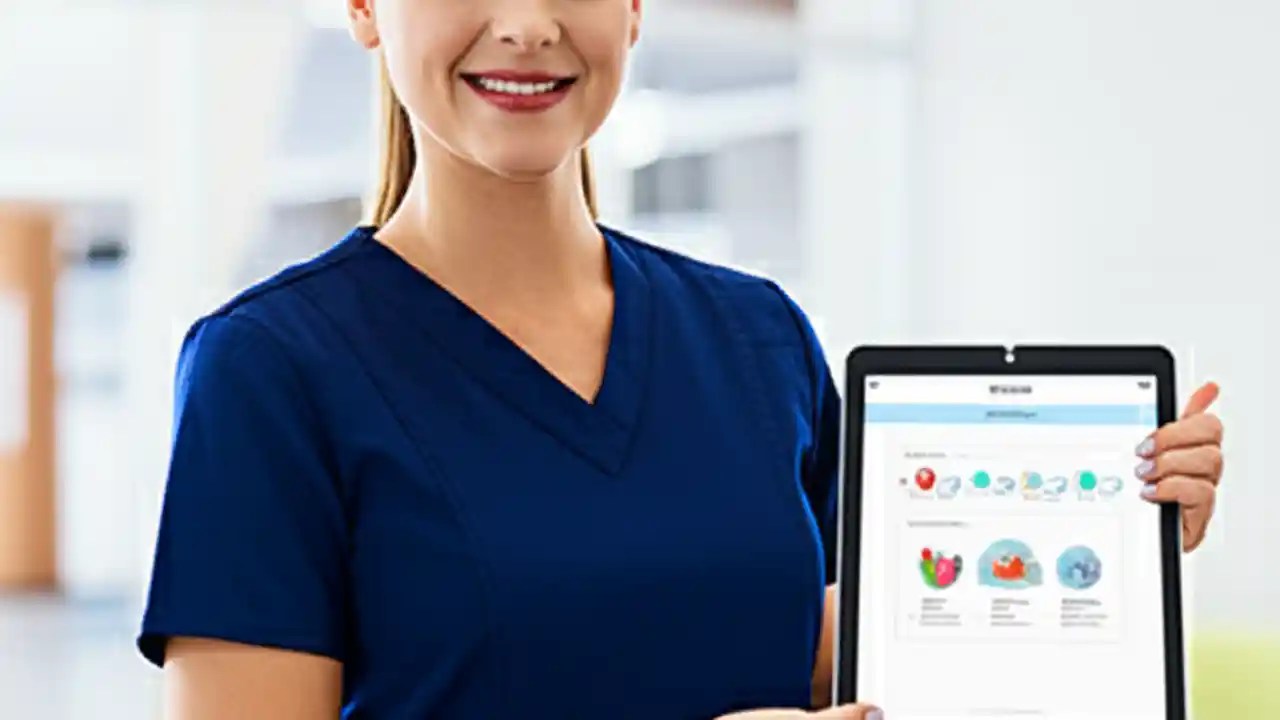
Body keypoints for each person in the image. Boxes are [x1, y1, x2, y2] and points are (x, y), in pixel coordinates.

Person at [135, 1, 1228, 718]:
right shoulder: (270, 371)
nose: (526, 25)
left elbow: (864, 675)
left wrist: (1090, 539)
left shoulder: (758, 339)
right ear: (366, 9)